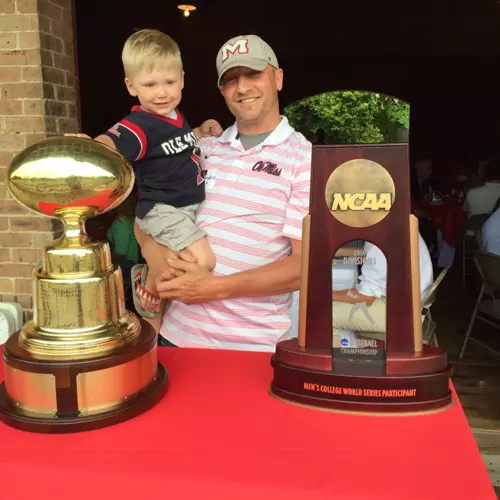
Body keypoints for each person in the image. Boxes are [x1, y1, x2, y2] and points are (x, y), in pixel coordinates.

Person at [65, 29, 223, 318]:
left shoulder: (175, 116)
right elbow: (112, 141)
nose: (162, 92)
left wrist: (200, 131)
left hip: (184, 208)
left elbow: (181, 144)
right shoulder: (139, 125)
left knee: (178, 258)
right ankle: (150, 283)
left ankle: (150, 276)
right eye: (150, 84)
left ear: (182, 80)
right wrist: (92, 146)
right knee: (204, 260)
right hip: (162, 209)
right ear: (131, 85)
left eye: (169, 82)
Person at [331, 234, 433, 335]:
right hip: (410, 303)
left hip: (404, 313)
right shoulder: (393, 225)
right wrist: (335, 251)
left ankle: (341, 350)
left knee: (324, 312)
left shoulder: (381, 238)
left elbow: (364, 297)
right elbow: (368, 253)